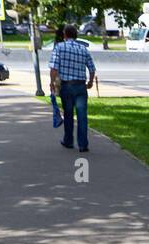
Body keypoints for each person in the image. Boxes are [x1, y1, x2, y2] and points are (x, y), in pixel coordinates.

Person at [48, 24, 95, 152]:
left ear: (65, 35)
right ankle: (83, 145)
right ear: (76, 35)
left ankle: (68, 141)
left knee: (68, 114)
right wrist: (90, 82)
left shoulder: (59, 47)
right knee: (82, 116)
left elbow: (54, 68)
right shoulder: (83, 49)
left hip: (66, 86)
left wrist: (52, 82)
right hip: (81, 86)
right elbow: (92, 68)